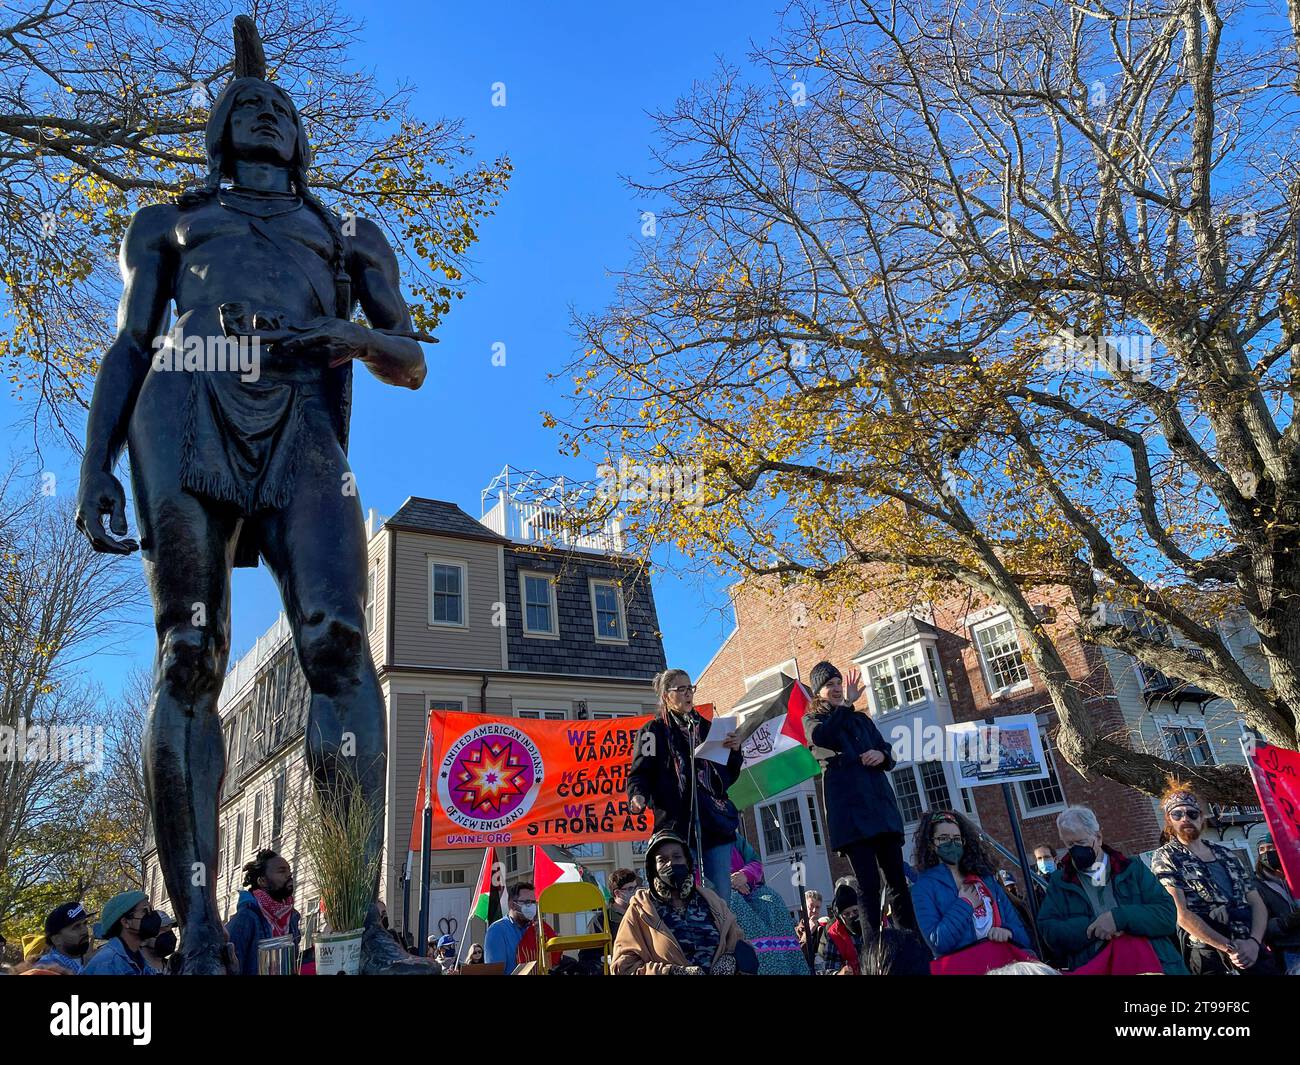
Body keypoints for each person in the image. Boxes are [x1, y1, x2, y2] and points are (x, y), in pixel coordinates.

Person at [801, 661, 918, 939]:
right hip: (851, 815)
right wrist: (844, 708)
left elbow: (885, 749)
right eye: (830, 685)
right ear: (818, 692)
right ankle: (873, 948)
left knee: (896, 880)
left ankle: (910, 939)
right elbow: (823, 737)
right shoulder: (813, 722)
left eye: (838, 682)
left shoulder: (861, 720)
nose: (837, 688)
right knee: (867, 883)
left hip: (880, 807)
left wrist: (883, 756)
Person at [628, 669, 745, 895]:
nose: (688, 693)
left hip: (713, 822)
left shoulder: (708, 729)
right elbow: (640, 772)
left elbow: (727, 776)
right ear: (666, 697)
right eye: (680, 689)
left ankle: (720, 929)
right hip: (676, 822)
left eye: (690, 688)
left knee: (721, 891)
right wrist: (637, 795)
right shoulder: (653, 732)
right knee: (683, 889)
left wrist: (735, 751)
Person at [1037, 806, 1186, 975]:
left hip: (1153, 963)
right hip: (1095, 964)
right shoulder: (1060, 881)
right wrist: (1095, 926)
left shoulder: (1132, 869)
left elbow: (1166, 915)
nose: (1076, 849)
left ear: (1098, 837)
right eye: (1070, 844)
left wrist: (1120, 918)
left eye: (1081, 842)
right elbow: (1050, 931)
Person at [1151, 780, 1274, 975]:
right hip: (1211, 955)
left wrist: (1254, 942)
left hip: (1251, 948)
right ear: (1169, 820)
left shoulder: (1227, 854)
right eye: (1177, 814)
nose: (1185, 818)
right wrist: (1229, 948)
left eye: (1191, 813)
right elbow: (1181, 914)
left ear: (1201, 818)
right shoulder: (1166, 856)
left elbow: (1257, 903)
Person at [911, 810, 1034, 974]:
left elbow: (1022, 935)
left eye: (956, 839)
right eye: (943, 838)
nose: (951, 843)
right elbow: (938, 942)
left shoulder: (986, 880)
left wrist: (1008, 932)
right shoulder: (924, 887)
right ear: (932, 844)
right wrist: (965, 904)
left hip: (1002, 963)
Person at [612, 830, 746, 975]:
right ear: (653, 868)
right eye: (662, 860)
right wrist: (670, 972)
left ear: (687, 861)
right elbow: (622, 968)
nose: (671, 863)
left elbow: (743, 947)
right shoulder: (640, 910)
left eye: (677, 856)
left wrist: (731, 960)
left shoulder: (711, 901)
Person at [725, 835, 807, 974]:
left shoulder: (733, 836)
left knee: (773, 900)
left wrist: (744, 875)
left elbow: (755, 862)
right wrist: (729, 882)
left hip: (750, 887)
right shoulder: (693, 836)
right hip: (724, 891)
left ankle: (793, 969)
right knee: (737, 905)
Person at [225, 849, 302, 975]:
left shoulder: (291, 918)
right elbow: (229, 967)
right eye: (282, 871)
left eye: (289, 871)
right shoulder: (246, 918)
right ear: (262, 881)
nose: (289, 875)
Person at [82, 892, 164, 975]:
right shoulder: (107, 964)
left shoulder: (139, 960)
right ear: (125, 922)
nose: (151, 915)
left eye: (151, 909)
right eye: (145, 910)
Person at [484, 882, 557, 970]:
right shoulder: (497, 930)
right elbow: (494, 971)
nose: (532, 906)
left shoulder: (538, 928)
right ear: (512, 904)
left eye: (534, 902)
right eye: (527, 902)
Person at [1254, 836, 1300, 974]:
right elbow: (1258, 926)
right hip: (1288, 951)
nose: (1267, 853)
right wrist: (1286, 922)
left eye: (1272, 848)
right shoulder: (1255, 887)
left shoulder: (1296, 878)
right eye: (1262, 850)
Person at [579, 867, 638, 967]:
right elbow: (587, 957)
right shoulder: (600, 921)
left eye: (636, 887)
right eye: (630, 889)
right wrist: (608, 960)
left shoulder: (642, 915)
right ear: (617, 893)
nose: (636, 892)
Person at [32, 901, 95, 975]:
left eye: (85, 923)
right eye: (76, 927)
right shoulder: (45, 968)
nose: (84, 930)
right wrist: (87, 968)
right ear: (56, 939)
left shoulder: (92, 956)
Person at [820, 879, 867, 974]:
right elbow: (828, 968)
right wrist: (839, 973)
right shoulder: (834, 935)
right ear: (840, 917)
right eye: (846, 914)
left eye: (855, 911)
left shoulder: (873, 924)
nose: (852, 916)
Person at [795, 889, 829, 972]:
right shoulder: (795, 931)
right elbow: (797, 956)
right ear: (803, 908)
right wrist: (808, 932)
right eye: (811, 906)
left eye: (817, 907)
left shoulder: (825, 929)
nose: (814, 910)